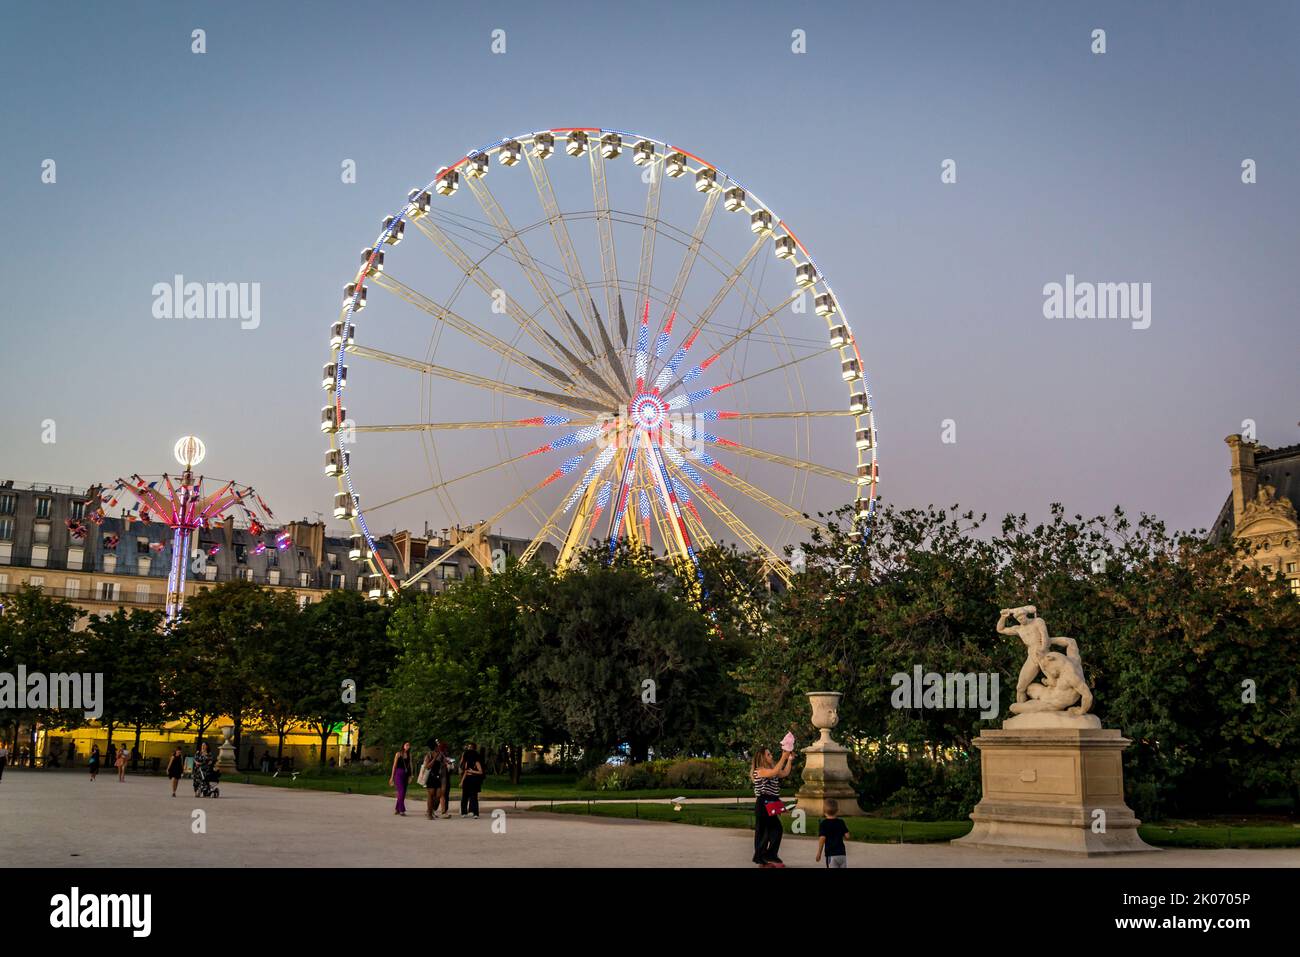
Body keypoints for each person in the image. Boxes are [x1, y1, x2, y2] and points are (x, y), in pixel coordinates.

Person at [751, 742, 795, 867]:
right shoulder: (759, 771)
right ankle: (763, 857)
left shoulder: (772, 770)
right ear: (762, 757)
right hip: (764, 802)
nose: (771, 756)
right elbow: (774, 771)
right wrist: (783, 756)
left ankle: (769, 855)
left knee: (776, 829)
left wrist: (789, 759)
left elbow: (784, 773)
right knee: (765, 832)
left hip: (773, 801)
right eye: (768, 754)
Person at [816, 798, 850, 868]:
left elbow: (822, 839)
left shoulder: (824, 824)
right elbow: (847, 836)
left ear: (824, 812)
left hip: (831, 855)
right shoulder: (841, 822)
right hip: (842, 855)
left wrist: (819, 853)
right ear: (837, 811)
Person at [458, 742, 484, 818]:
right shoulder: (466, 762)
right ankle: (464, 812)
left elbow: (480, 772)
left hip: (474, 779)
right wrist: (461, 782)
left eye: (470, 747)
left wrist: (472, 771)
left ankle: (475, 813)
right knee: (464, 796)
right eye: (468, 747)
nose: (469, 749)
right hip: (467, 779)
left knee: (473, 797)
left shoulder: (476, 762)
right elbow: (465, 772)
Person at [389, 742, 412, 816]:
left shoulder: (409, 755)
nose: (408, 746)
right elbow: (394, 766)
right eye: (406, 745)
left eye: (409, 745)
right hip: (399, 773)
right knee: (401, 791)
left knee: (403, 793)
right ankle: (402, 810)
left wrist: (411, 776)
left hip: (406, 774)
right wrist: (392, 777)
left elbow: (410, 766)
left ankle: (397, 808)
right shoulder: (398, 754)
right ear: (403, 746)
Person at [421, 738, 441, 820]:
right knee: (431, 795)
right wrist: (434, 758)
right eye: (437, 746)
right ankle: (429, 814)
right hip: (430, 777)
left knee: (438, 795)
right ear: (434, 747)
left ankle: (432, 810)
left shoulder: (439, 754)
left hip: (437, 777)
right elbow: (427, 767)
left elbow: (441, 765)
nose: (438, 748)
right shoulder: (428, 755)